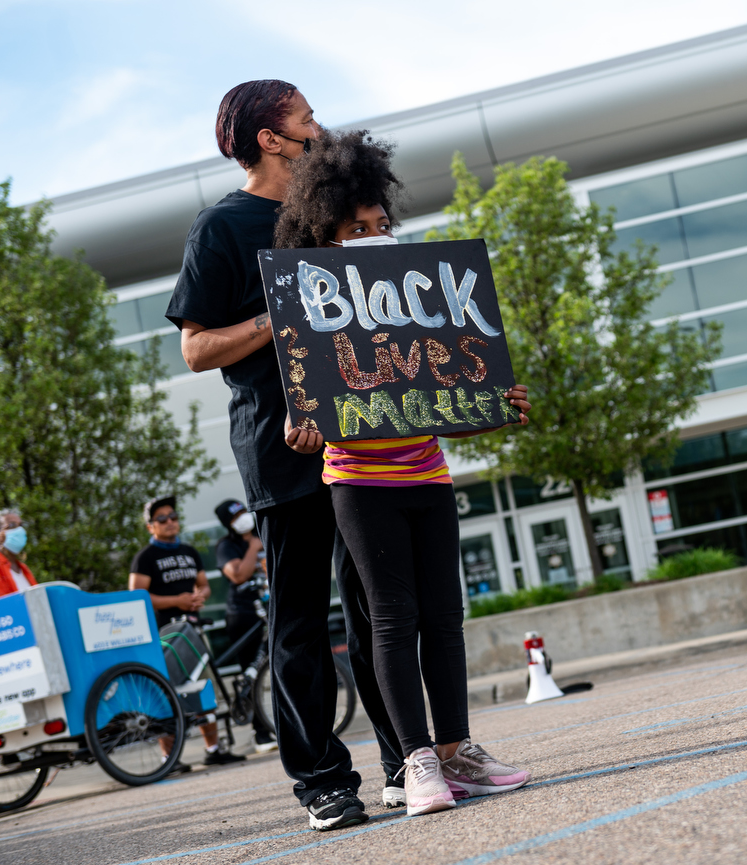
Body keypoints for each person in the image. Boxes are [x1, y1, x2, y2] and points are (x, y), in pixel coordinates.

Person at [165, 79, 404, 831]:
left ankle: (410, 760)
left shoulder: (332, 214)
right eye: (306, 118)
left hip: (364, 437)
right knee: (299, 621)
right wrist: (279, 315)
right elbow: (196, 347)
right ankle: (323, 782)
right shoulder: (224, 227)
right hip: (283, 444)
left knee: (380, 610)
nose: (318, 127)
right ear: (270, 138)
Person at [272, 130, 534, 816]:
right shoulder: (307, 312)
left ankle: (457, 752)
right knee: (392, 617)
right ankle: (417, 762)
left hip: (428, 475)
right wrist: (301, 433)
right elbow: (302, 418)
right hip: (359, 480)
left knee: (446, 617)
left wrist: (495, 407)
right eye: (354, 228)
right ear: (323, 237)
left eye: (380, 225)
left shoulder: (418, 295)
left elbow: (447, 403)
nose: (371, 236)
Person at [130, 496, 245, 770]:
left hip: (191, 631)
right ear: (150, 527)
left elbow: (203, 585)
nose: (170, 522)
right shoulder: (146, 557)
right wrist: (176, 602)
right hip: (163, 635)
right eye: (162, 519)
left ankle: (214, 749)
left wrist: (197, 597)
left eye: (173, 517)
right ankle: (169, 759)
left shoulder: (190, 551)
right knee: (166, 693)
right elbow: (136, 596)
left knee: (204, 688)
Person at [214, 499, 276, 753]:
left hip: (271, 607)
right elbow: (237, 574)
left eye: (242, 511)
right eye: (234, 516)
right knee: (251, 668)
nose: (242, 517)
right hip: (242, 613)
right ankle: (260, 732)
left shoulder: (264, 531)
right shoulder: (227, 546)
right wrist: (252, 547)